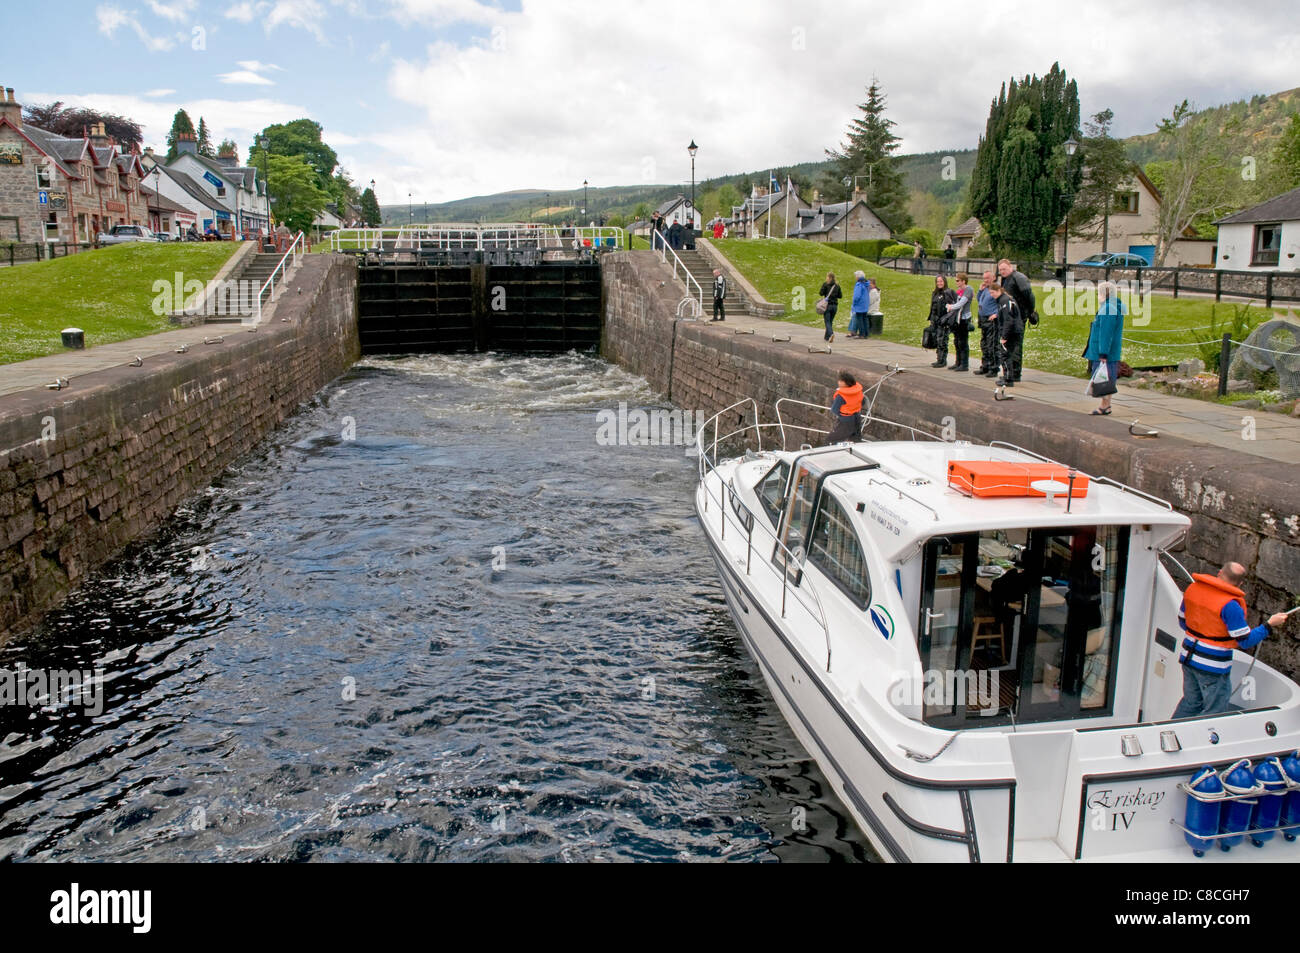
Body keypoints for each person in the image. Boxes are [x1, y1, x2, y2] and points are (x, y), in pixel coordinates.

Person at [1172, 562, 1290, 719]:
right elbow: (1245, 641)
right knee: (1215, 710)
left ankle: (1171, 734)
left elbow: (1182, 622)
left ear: (1220, 573)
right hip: (1212, 667)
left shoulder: (1192, 590)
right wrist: (1269, 625)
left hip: (1188, 658)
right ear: (1240, 584)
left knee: (1190, 703)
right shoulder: (1230, 605)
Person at [1083, 280, 1124, 415]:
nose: (1097, 296)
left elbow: (1106, 333)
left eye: (1098, 293)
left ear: (1104, 294)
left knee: (1104, 379)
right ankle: (1106, 405)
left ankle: (1104, 406)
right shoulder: (1111, 306)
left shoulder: (1108, 309)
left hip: (1104, 351)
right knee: (1106, 378)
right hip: (1107, 350)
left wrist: (1103, 353)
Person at [996, 259, 1036, 382]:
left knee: (1015, 346)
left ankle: (1015, 374)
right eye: (1000, 270)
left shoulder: (1019, 278)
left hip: (1018, 317)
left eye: (1004, 269)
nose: (1002, 271)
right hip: (1009, 315)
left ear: (1010, 267)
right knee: (1009, 345)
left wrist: (1029, 312)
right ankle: (1010, 373)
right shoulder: (1006, 279)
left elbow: (1029, 296)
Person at [990, 281, 1023, 387]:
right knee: (1006, 354)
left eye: (993, 293)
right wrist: (997, 316)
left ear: (999, 291)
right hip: (1014, 330)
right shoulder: (1004, 300)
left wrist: (1004, 336)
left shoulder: (1004, 301)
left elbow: (1009, 320)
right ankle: (1008, 376)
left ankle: (1008, 379)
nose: (992, 295)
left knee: (1005, 355)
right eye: (990, 293)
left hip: (1012, 332)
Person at [945, 272, 975, 371]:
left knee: (963, 342)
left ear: (963, 281)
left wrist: (951, 307)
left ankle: (964, 364)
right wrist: (948, 306)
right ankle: (958, 362)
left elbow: (961, 304)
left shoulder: (968, 290)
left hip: (964, 319)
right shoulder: (959, 291)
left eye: (958, 280)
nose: (956, 282)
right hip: (957, 318)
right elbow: (953, 302)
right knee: (957, 341)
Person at [927, 275, 957, 368]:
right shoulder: (935, 293)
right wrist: (931, 319)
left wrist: (946, 319)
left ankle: (942, 361)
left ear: (944, 282)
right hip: (935, 320)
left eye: (941, 281)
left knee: (942, 341)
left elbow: (952, 307)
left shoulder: (948, 292)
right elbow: (933, 307)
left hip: (944, 321)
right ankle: (939, 359)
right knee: (937, 340)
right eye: (938, 281)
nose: (939, 283)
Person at [828, 370, 863, 443]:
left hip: (846, 419)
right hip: (857, 417)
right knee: (855, 438)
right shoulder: (858, 391)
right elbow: (863, 402)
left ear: (846, 383)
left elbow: (835, 410)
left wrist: (842, 415)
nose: (838, 382)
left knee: (834, 439)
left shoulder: (841, 396)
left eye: (840, 381)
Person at [976, 270, 999, 375]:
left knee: (992, 344)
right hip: (983, 319)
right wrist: (980, 291)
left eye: (988, 278)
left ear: (993, 277)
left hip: (991, 320)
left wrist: (996, 314)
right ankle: (985, 366)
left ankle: (993, 368)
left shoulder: (996, 288)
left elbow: (1003, 302)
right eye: (984, 278)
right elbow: (979, 300)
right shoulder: (985, 288)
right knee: (984, 343)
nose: (986, 280)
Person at [818, 272, 842, 343]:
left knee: (827, 321)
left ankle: (831, 334)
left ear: (829, 277)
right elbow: (840, 296)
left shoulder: (825, 284)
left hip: (827, 306)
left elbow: (821, 293)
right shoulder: (837, 286)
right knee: (830, 322)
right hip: (835, 306)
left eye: (827, 277)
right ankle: (826, 337)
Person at [849, 270, 870, 338]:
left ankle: (861, 334)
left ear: (858, 277)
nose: (855, 277)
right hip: (865, 304)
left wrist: (854, 303)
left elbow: (856, 296)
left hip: (859, 305)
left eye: (856, 276)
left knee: (860, 319)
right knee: (864, 319)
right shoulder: (866, 284)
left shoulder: (859, 284)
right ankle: (866, 333)